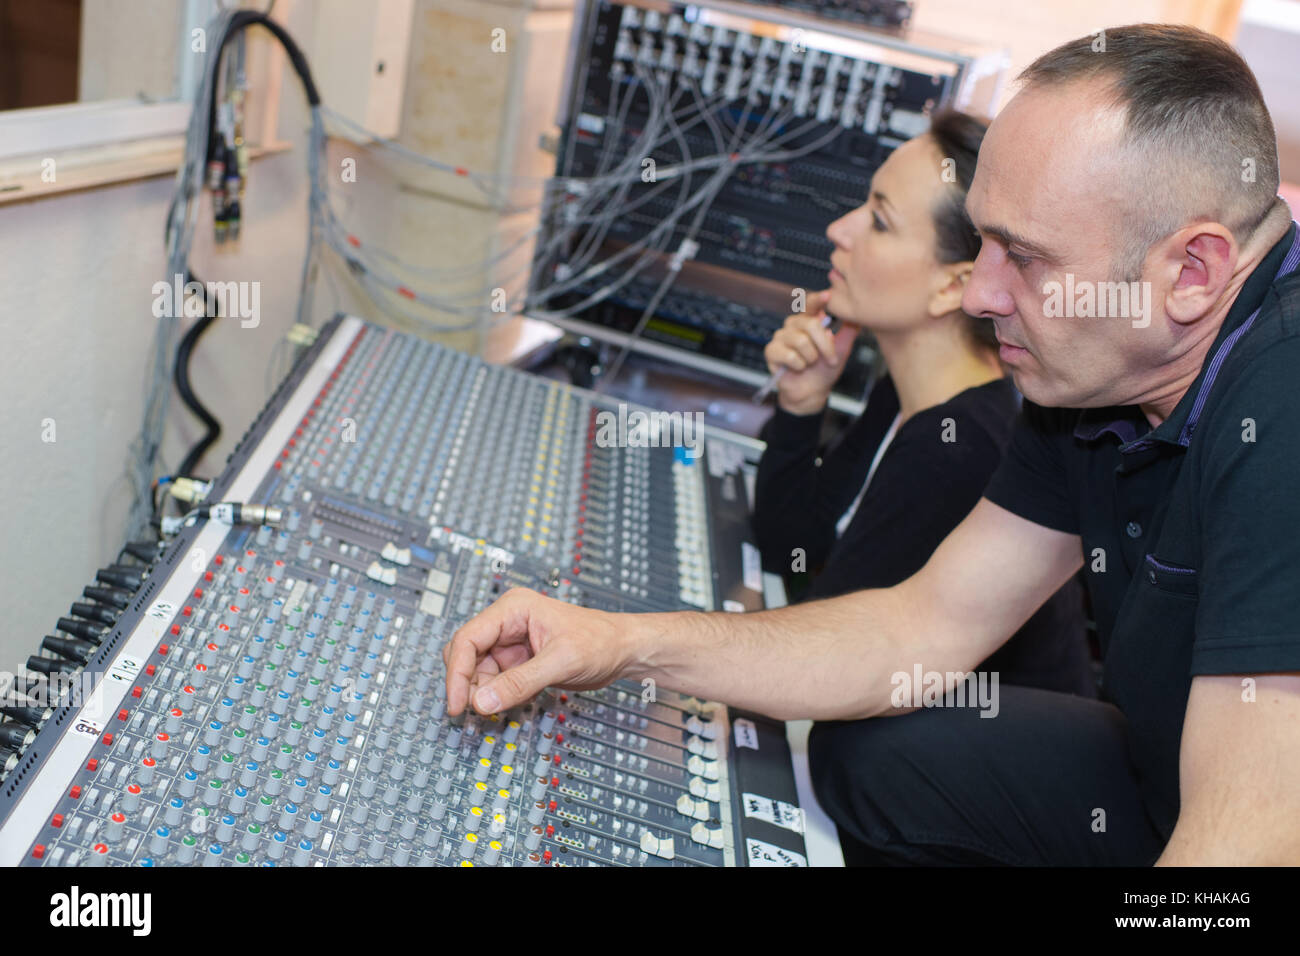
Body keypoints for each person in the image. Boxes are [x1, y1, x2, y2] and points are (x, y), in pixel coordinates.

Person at [445, 24, 1300, 865]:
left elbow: (1241, 854)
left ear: (1191, 273)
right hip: (1166, 780)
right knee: (875, 760)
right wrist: (621, 642)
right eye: (984, 241)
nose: (981, 295)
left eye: (1026, 259)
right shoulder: (1087, 376)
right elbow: (920, 628)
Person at [752, 109, 1094, 697]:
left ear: (952, 286)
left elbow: (821, 660)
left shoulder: (960, 448)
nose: (841, 228)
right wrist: (802, 403)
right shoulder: (911, 393)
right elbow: (794, 550)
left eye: (879, 221)